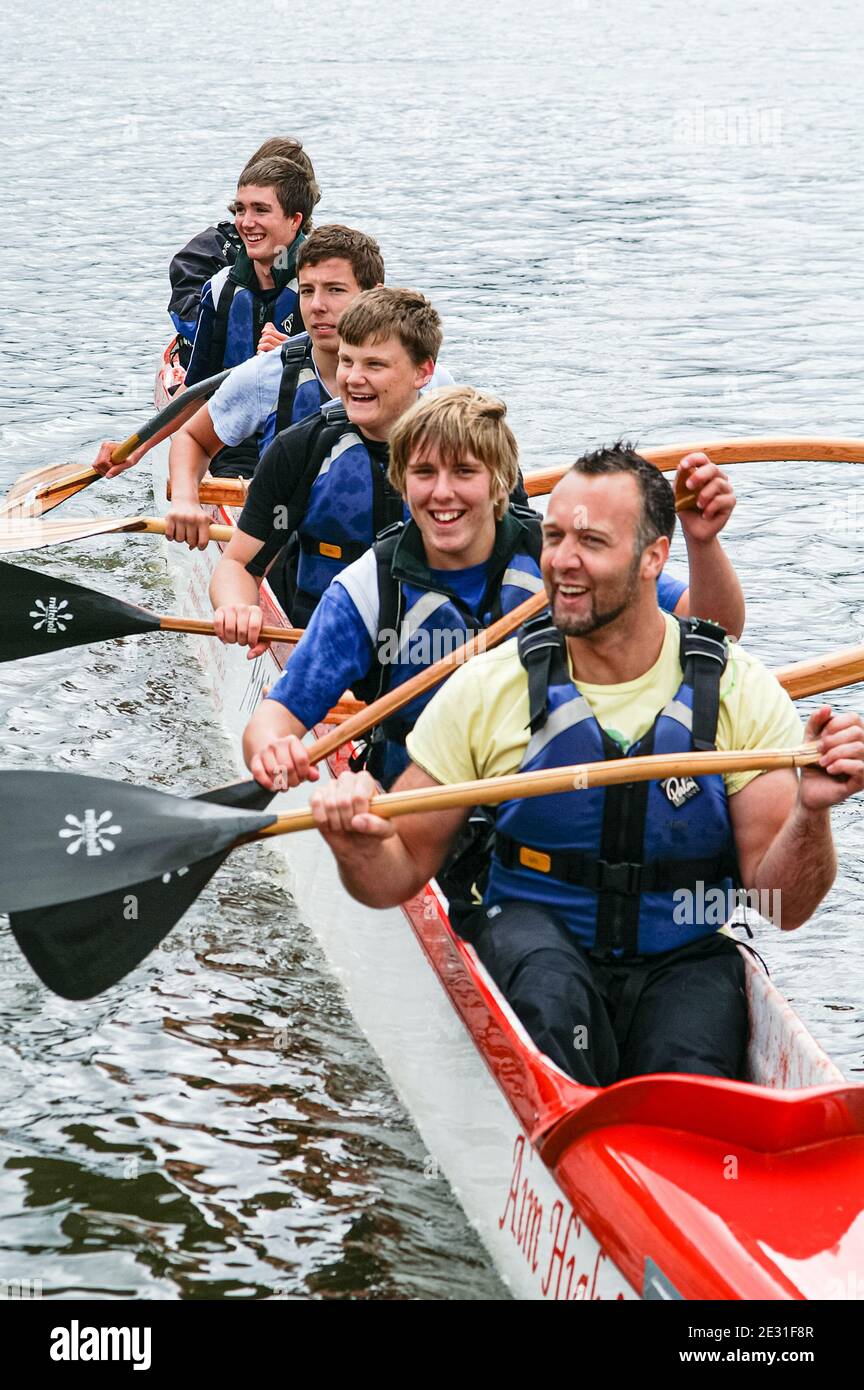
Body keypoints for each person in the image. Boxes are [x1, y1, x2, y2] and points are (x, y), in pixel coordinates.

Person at [299, 442, 864, 1087]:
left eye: (591, 542)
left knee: (691, 1065)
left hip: (682, 955)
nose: (562, 561)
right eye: (554, 536)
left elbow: (785, 907)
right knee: (550, 998)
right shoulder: (489, 687)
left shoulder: (737, 689)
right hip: (536, 945)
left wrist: (813, 812)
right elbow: (392, 880)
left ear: (653, 558)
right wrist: (355, 844)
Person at [241, 394, 744, 795]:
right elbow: (274, 718)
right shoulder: (369, 587)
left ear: (501, 483)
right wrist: (272, 751)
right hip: (417, 808)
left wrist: (703, 542)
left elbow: (717, 630)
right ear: (401, 480)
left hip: (551, 806)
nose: (442, 493)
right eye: (424, 473)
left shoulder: (559, 558)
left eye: (464, 472)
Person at [194, 287, 446, 625]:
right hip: (323, 644)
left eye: (374, 365)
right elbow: (238, 566)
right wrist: (237, 608)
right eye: (346, 361)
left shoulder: (471, 448)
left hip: (435, 648)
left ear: (423, 372)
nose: (354, 379)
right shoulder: (299, 450)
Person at [167, 137, 318, 362]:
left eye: (262, 209)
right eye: (243, 208)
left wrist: (299, 348)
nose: (248, 222)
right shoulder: (212, 262)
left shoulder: (323, 265)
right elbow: (188, 317)